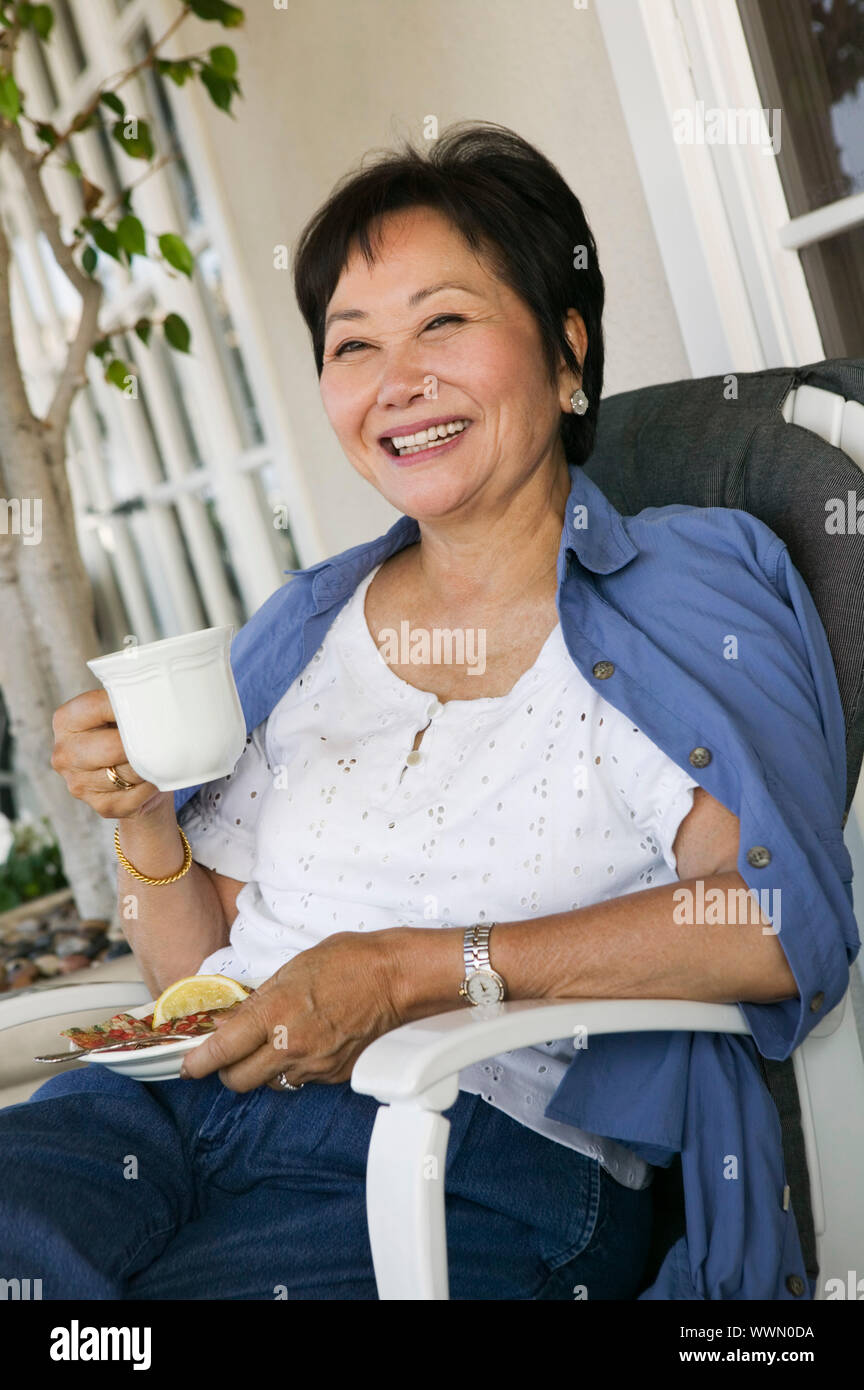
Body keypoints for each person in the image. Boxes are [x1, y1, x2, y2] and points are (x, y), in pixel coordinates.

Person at [2, 122, 849, 1301]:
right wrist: (146, 821)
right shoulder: (304, 625)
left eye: (443, 321)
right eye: (354, 344)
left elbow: (772, 919)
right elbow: (205, 966)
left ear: (566, 349)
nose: (397, 380)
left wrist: (409, 972)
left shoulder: (690, 585)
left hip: (461, 1153)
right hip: (165, 1103)